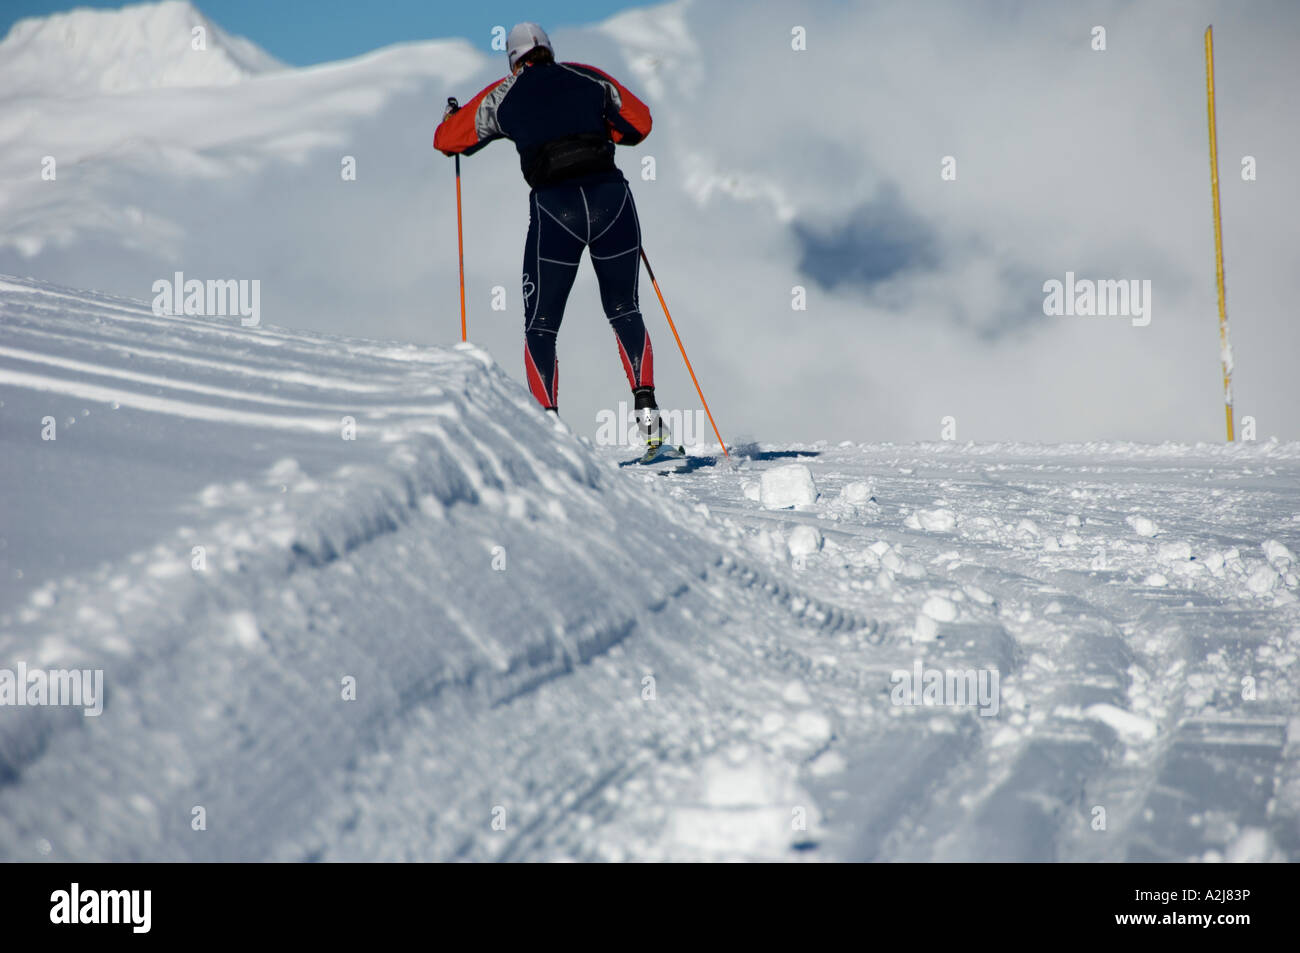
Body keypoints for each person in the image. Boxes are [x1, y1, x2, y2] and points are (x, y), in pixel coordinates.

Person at [434, 22, 669, 450]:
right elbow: (641, 124)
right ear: (549, 51)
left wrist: (453, 119)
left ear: (514, 59)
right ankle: (647, 406)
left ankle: (553, 432)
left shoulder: (503, 94)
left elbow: (447, 142)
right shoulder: (588, 77)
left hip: (554, 209)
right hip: (611, 200)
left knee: (541, 325)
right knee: (624, 308)